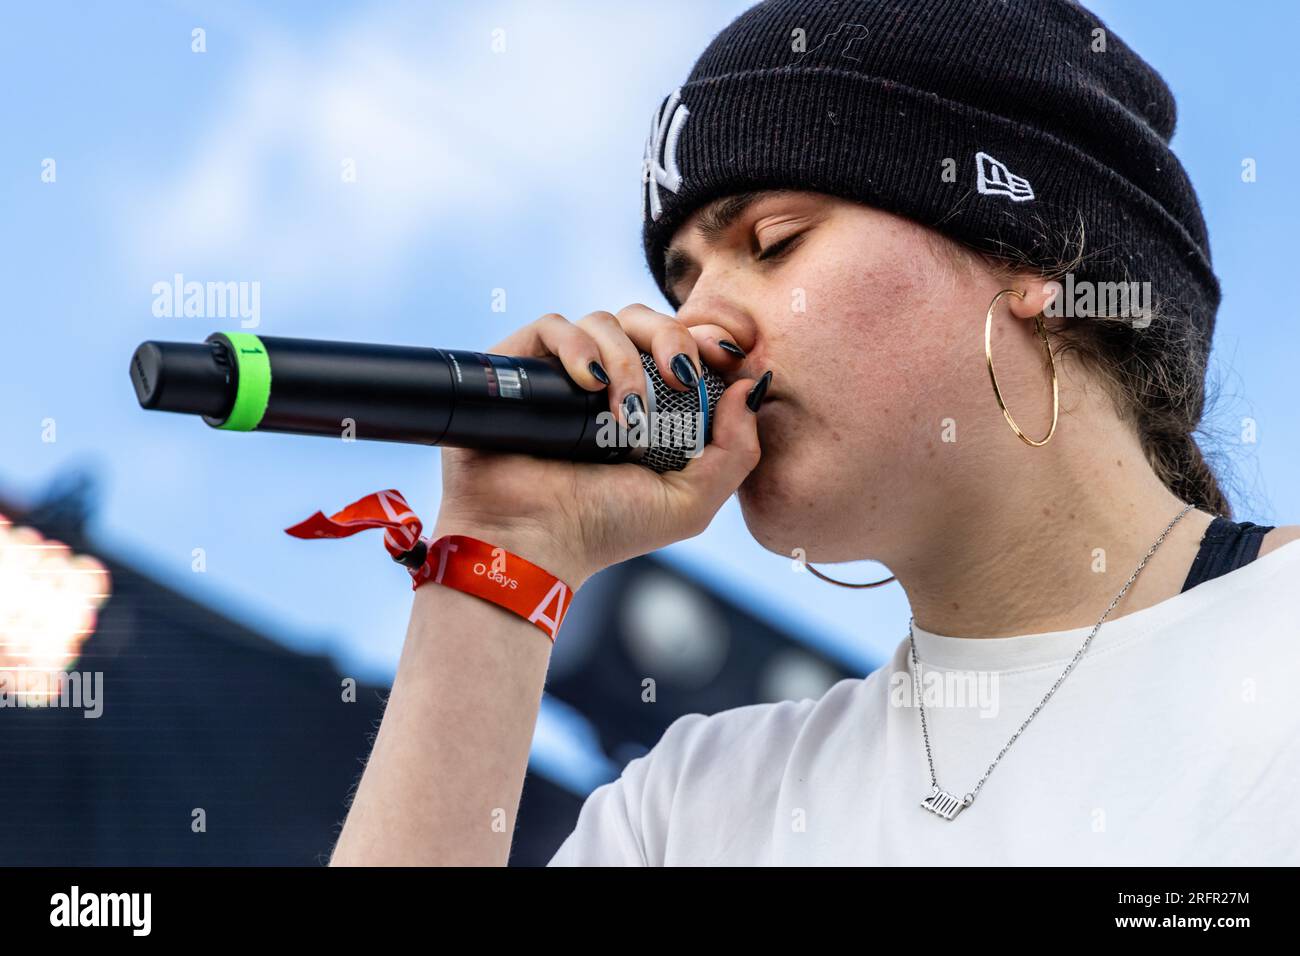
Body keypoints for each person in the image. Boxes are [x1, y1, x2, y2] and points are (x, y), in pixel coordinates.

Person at [328, 0, 1300, 866]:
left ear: (1035, 252)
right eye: (682, 280)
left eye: (774, 240)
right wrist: (500, 558)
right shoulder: (692, 809)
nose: (697, 324)